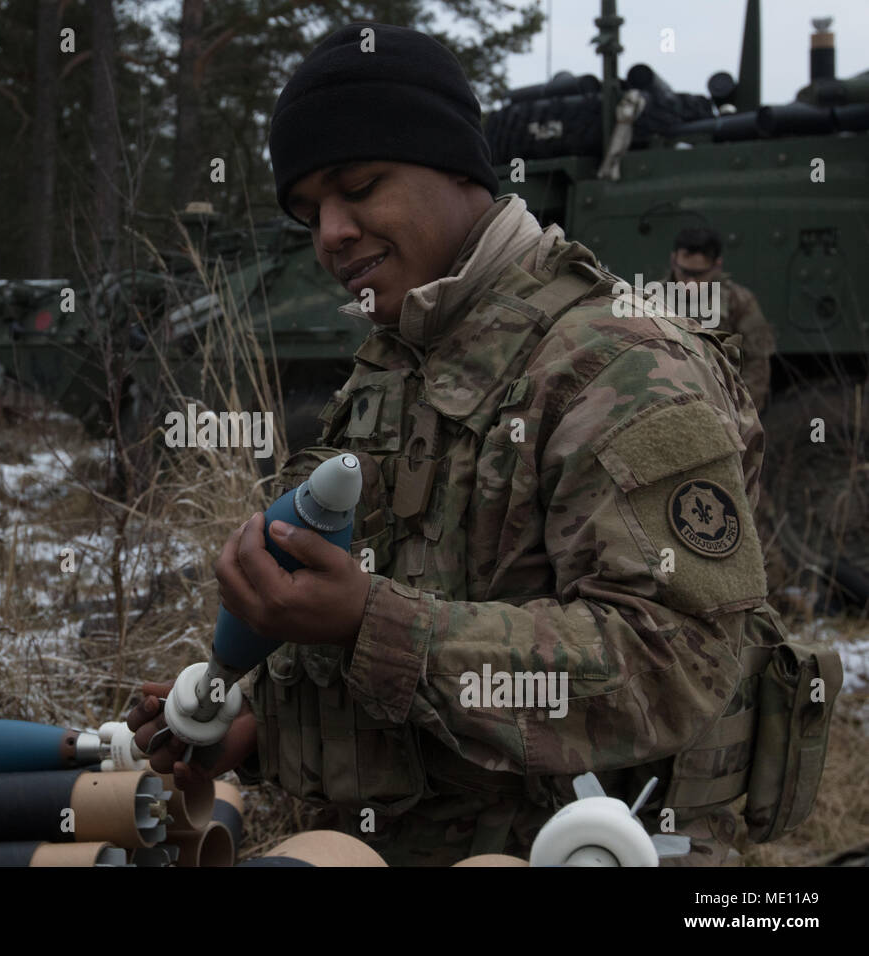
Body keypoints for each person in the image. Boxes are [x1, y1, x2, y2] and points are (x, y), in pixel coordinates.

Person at [128, 22, 775, 866]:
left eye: (358, 186)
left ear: (459, 167)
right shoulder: (397, 357)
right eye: (308, 212)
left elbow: (678, 661)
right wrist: (255, 728)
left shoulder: (618, 364)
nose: (330, 232)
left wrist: (373, 625)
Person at [668, 226, 776, 411]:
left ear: (717, 265)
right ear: (673, 261)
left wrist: (742, 415)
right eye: (685, 273)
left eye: (699, 275)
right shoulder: (651, 301)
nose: (690, 283)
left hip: (724, 408)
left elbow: (757, 365)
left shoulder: (739, 302)